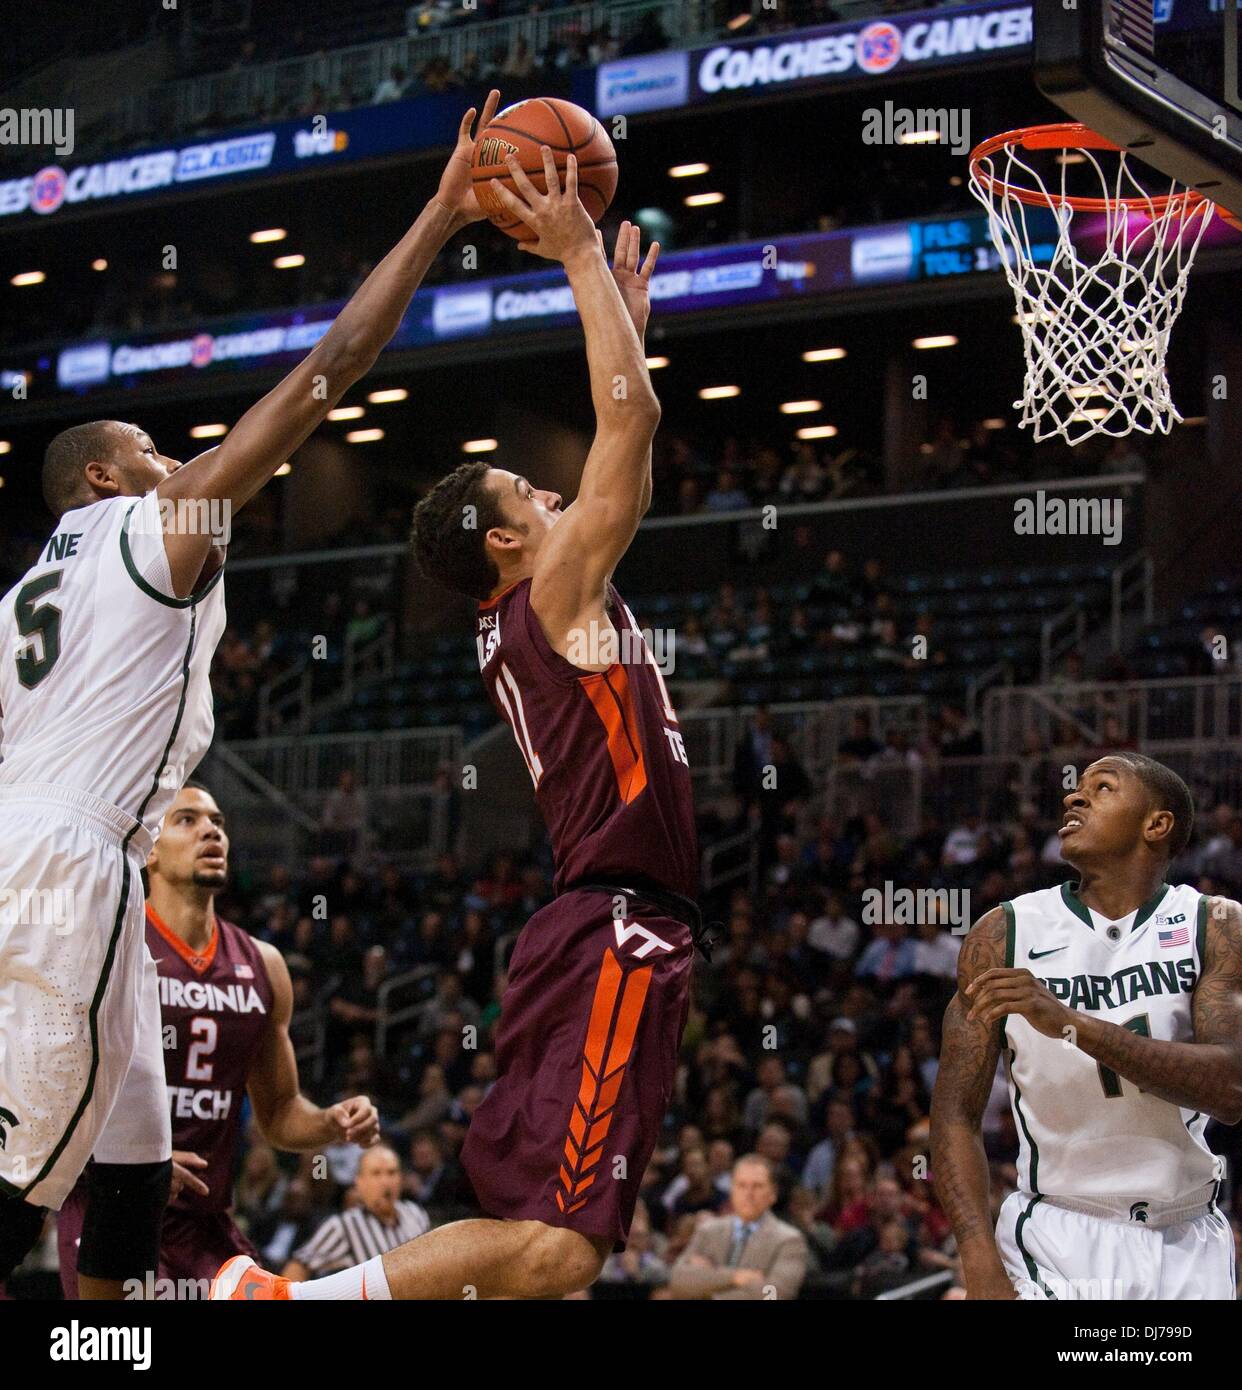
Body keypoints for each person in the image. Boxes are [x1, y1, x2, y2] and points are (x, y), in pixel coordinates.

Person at [0, 86, 506, 1299]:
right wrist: (437, 219)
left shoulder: (26, 595)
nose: (188, 468)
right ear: (113, 475)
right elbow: (329, 372)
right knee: (21, 1180)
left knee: (129, 1157)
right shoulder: (144, 527)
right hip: (70, 866)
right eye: (165, 455)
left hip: (47, 854)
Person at [214, 153, 702, 1303]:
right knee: (563, 1246)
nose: (549, 491)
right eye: (526, 494)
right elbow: (631, 433)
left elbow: (619, 422)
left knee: (526, 1235)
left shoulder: (525, 609)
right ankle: (291, 1302)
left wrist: (618, 324)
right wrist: (581, 254)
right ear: (500, 542)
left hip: (586, 924)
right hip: (617, 927)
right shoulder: (554, 593)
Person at [931, 753, 1240, 1299]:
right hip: (1057, 1235)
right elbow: (955, 1114)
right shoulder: (1003, 934)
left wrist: (1073, 1024)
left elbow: (1232, 1088)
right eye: (1075, 789)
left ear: (1157, 823)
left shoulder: (1213, 924)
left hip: (1188, 1237)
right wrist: (978, 1264)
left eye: (1102, 788)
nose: (1073, 798)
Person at [55, 785, 379, 1297]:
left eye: (219, 822)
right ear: (151, 848)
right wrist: (138, 1159)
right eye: (187, 820)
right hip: (112, 1207)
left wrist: (330, 1123)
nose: (212, 831)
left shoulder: (263, 965)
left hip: (207, 1227)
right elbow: (49, 1091)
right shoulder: (110, 945)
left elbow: (278, 1114)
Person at [664, 1155, 808, 1300]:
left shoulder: (789, 1240)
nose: (748, 1194)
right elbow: (678, 1283)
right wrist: (735, 1277)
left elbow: (775, 1294)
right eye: (741, 1185)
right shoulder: (708, 1231)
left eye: (757, 1186)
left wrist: (709, 1281)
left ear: (773, 1193)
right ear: (731, 1190)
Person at [281, 1147, 429, 1282]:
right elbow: (298, 1266)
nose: (386, 1182)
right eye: (376, 1173)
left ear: (400, 1179)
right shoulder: (344, 1225)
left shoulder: (415, 1214)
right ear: (359, 1182)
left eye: (391, 1173)